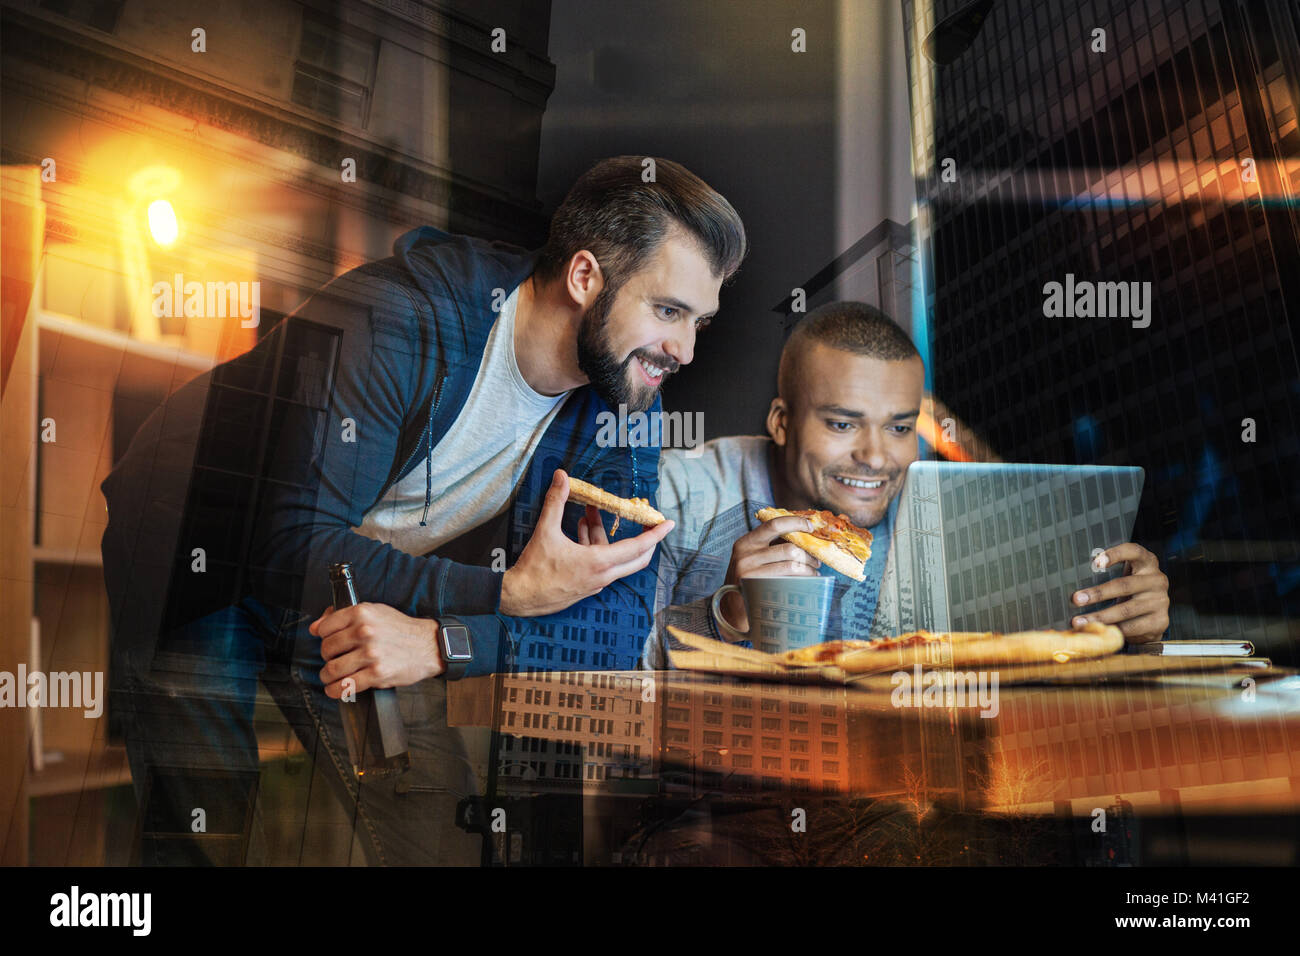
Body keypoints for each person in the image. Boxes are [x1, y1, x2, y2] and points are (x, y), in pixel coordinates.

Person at [101, 156, 745, 864]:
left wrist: (444, 643)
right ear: (585, 277)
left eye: (699, 323)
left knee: (439, 834)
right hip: (199, 532)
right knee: (207, 823)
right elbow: (286, 543)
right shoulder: (395, 316)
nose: (682, 349)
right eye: (668, 311)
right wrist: (503, 595)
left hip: (351, 573)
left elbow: (611, 632)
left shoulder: (621, 403)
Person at [642, 301, 1170, 669]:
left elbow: (1026, 684)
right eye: (842, 424)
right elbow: (602, 693)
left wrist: (1132, 637)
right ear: (780, 422)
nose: (875, 458)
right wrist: (725, 619)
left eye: (899, 428)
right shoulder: (676, 497)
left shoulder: (955, 523)